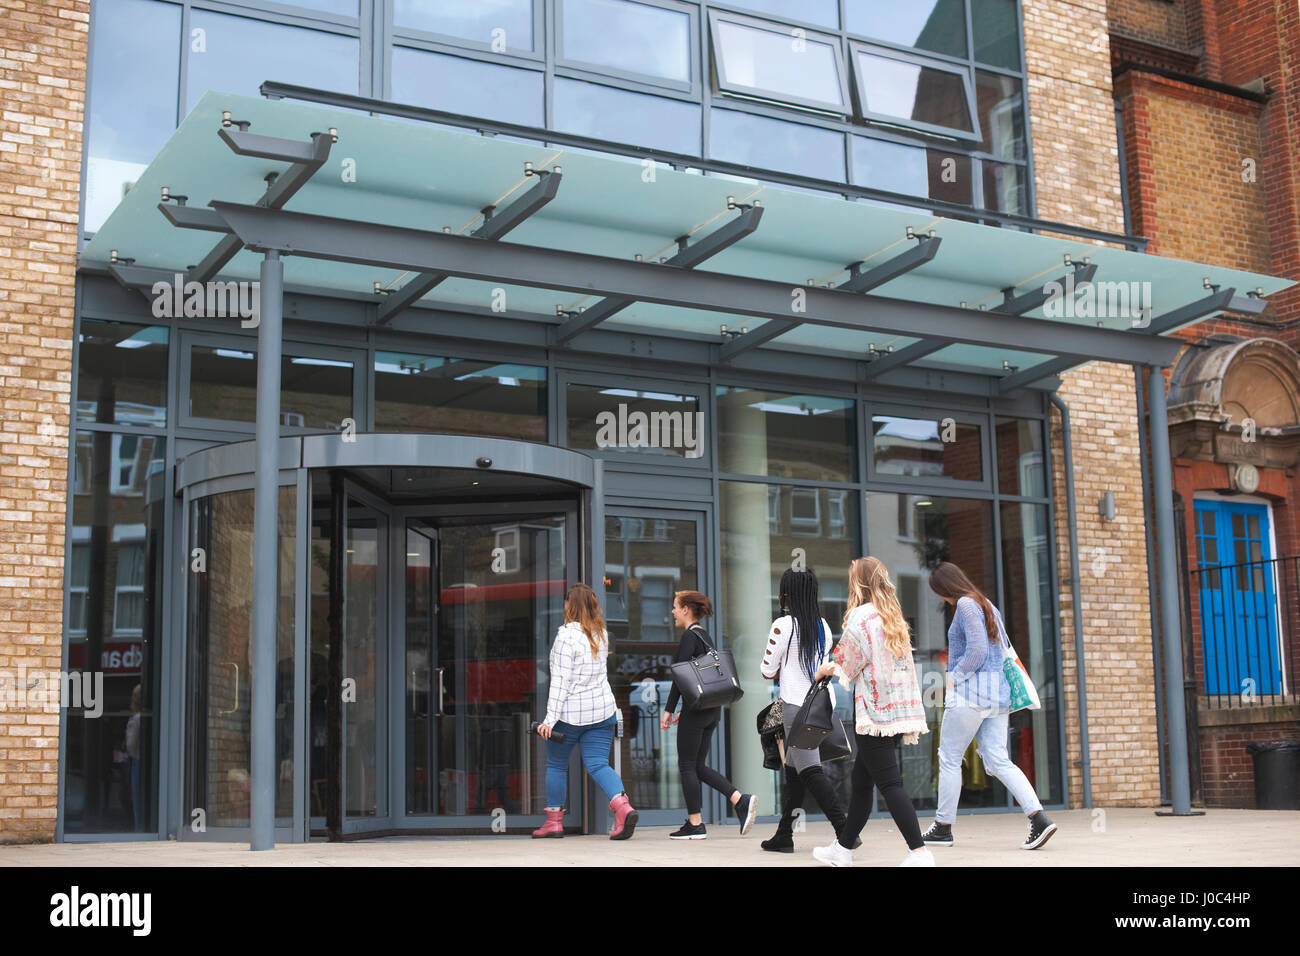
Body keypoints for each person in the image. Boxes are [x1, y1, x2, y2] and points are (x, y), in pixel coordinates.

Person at [922, 562, 1057, 850]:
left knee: (949, 758)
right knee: (997, 760)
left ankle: (943, 827)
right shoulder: (986, 605)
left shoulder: (966, 606)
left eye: (939, 593)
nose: (941, 599)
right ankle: (1039, 818)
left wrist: (954, 679)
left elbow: (978, 650)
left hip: (972, 695)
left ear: (946, 588)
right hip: (997, 697)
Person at [812, 557, 935, 867]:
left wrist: (823, 670)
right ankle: (842, 849)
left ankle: (919, 852)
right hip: (897, 712)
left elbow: (847, 663)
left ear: (859, 583)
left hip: (874, 714)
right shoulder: (891, 616)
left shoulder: (860, 617)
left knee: (890, 784)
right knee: (863, 781)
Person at [533, 582, 638, 840]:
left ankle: (554, 823)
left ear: (570, 605)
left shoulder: (566, 637)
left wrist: (549, 720)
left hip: (570, 715)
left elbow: (560, 682)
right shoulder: (600, 633)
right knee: (598, 764)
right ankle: (623, 807)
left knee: (556, 765)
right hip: (602, 711)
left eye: (566, 601)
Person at [758, 568, 852, 853]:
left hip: (795, 707)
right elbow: (820, 668)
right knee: (794, 771)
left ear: (786, 594)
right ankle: (784, 835)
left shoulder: (783, 625)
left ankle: (845, 831)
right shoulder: (823, 625)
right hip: (820, 705)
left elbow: (766, 670)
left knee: (809, 770)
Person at [660, 589, 756, 839]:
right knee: (698, 766)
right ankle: (740, 800)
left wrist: (669, 709)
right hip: (711, 710)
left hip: (697, 712)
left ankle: (695, 824)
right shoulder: (705, 637)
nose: (672, 612)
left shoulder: (690, 637)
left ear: (686, 609)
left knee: (686, 765)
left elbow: (680, 678)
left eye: (675, 606)